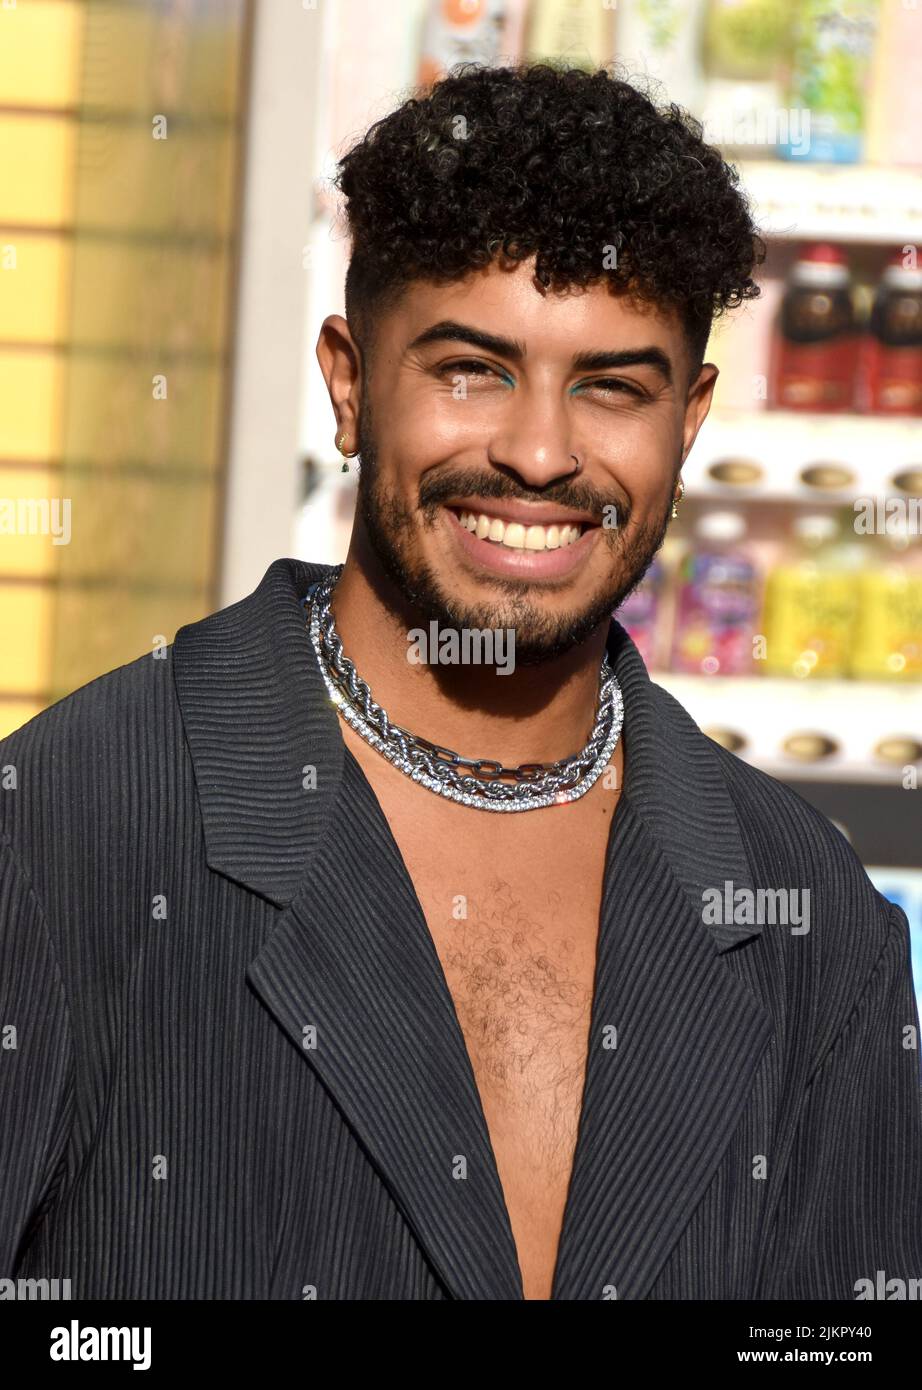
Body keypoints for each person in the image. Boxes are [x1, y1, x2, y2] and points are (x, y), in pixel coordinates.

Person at [1, 62, 919, 1302]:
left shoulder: (802, 906)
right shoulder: (65, 831)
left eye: (611, 386)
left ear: (689, 418)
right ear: (346, 379)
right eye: (471, 368)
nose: (538, 453)